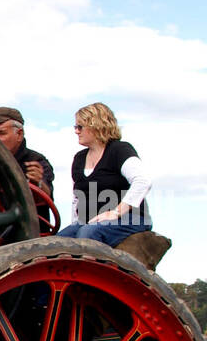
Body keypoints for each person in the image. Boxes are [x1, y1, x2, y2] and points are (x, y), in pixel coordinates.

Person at [57, 102, 153, 245]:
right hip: (89, 220)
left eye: (80, 127)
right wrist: (74, 224)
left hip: (129, 218)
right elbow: (76, 197)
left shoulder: (119, 150)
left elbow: (143, 181)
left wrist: (116, 212)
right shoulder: (79, 158)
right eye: (75, 127)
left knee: (88, 233)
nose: (76, 131)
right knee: (53, 243)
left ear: (96, 126)